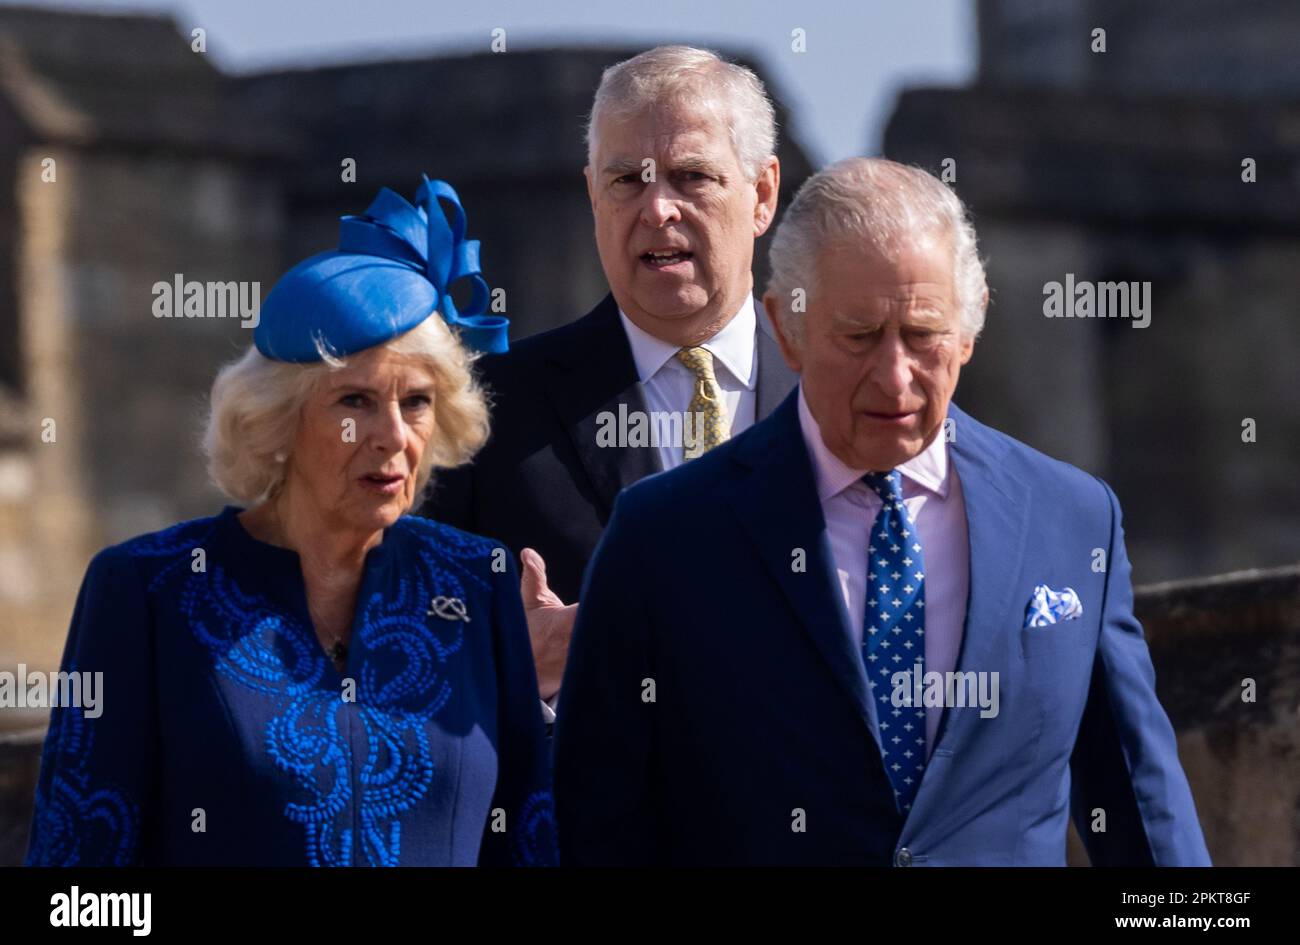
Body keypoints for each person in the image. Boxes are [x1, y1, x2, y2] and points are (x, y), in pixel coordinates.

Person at [553, 158, 1212, 866]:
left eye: (923, 334)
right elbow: (600, 826)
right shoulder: (665, 536)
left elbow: (1138, 806)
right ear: (786, 328)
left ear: (969, 327)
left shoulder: (1073, 518)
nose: (895, 377)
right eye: (860, 336)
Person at [25, 178, 557, 866]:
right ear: (277, 419)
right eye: (355, 401)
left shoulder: (477, 582)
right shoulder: (145, 591)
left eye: (417, 402)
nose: (393, 435)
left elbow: (533, 840)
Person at [422, 46, 798, 712]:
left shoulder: (841, 399)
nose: (658, 209)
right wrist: (515, 667)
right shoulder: (481, 413)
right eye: (627, 180)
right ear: (593, 195)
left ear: (762, 193)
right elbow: (394, 670)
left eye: (690, 177)